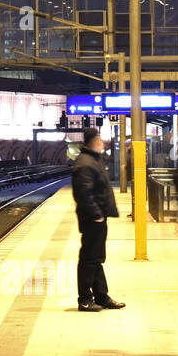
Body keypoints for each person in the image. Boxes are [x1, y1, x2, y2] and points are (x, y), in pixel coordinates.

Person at [71, 127, 125, 311]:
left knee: (96, 258)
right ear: (93, 141)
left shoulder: (93, 160)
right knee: (89, 258)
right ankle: (85, 299)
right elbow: (83, 194)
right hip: (92, 218)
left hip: (98, 217)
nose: (102, 142)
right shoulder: (85, 163)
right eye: (100, 139)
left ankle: (101, 296)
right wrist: (96, 215)